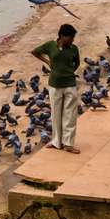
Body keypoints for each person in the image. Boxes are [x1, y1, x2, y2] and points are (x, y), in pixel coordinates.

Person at [34, 24, 82, 154]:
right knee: (56, 114)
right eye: (71, 38)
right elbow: (35, 51)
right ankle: (56, 142)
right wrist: (48, 62)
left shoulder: (74, 48)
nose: (72, 40)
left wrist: (69, 71)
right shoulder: (50, 46)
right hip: (54, 85)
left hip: (70, 84)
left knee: (70, 115)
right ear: (62, 36)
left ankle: (68, 144)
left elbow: (77, 63)